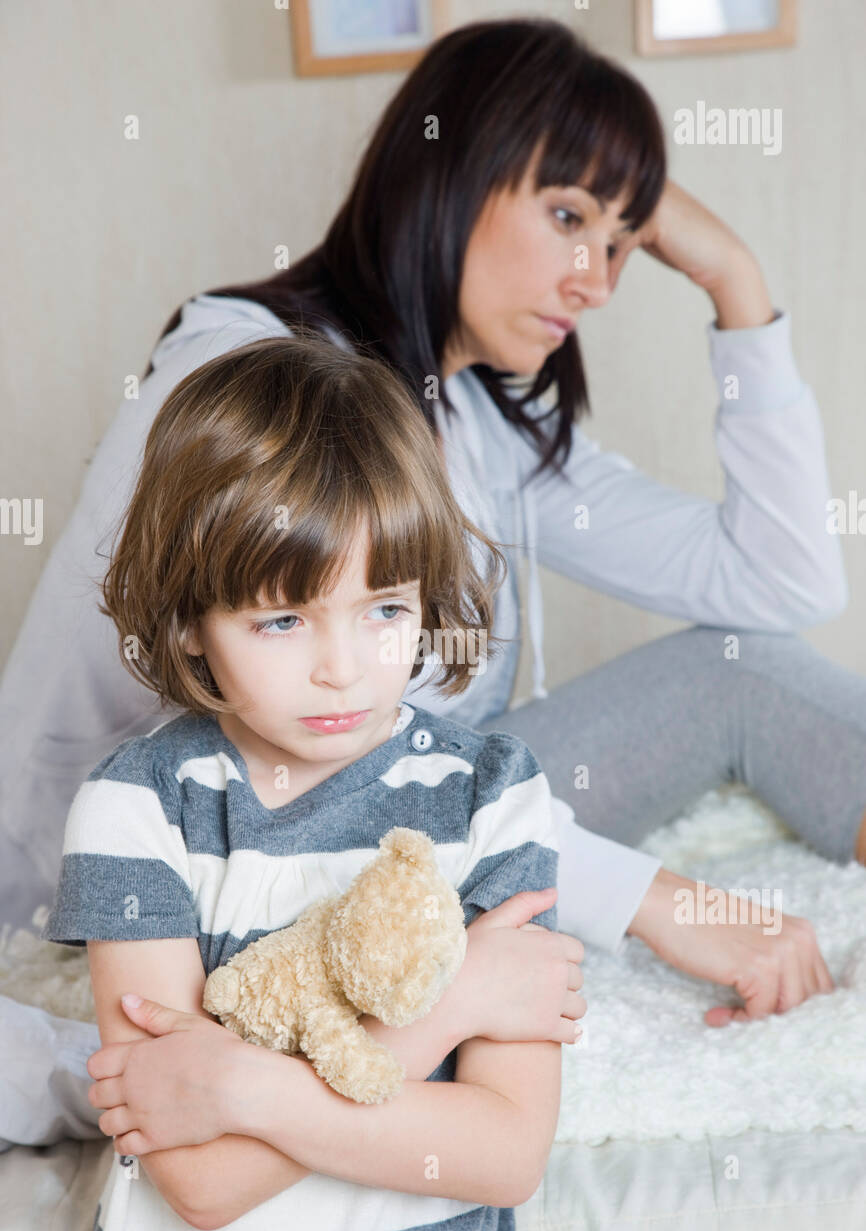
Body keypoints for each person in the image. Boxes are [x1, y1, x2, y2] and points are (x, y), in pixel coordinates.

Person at [3, 18, 851, 1024]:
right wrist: (648, 897)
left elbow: (781, 579)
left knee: (738, 669)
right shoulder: (243, 379)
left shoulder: (477, 420)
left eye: (624, 242)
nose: (597, 278)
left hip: (405, 816)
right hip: (202, 862)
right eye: (569, 216)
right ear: (450, 174)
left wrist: (733, 280)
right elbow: (277, 752)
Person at [42, 332, 585, 1231]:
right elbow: (204, 1184)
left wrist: (246, 1090)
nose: (342, 666)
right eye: (282, 620)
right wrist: (451, 1005)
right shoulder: (138, 808)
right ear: (189, 621)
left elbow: (503, 1154)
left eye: (383, 608)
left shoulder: (491, 792)